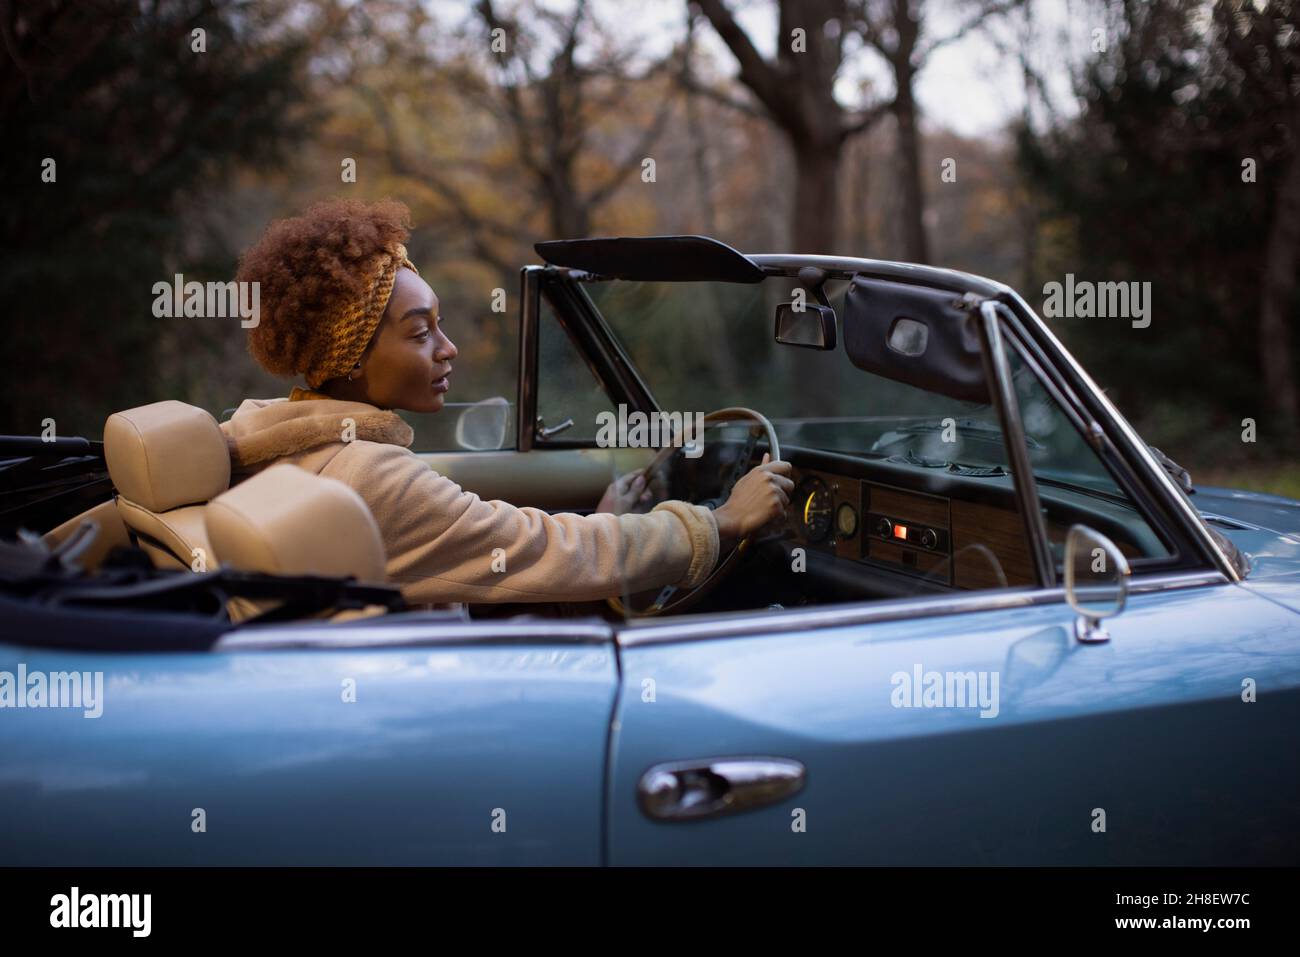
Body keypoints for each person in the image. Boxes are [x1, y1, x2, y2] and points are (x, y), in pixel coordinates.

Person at [222, 198, 792, 605]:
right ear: (348, 358)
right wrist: (721, 520)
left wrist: (601, 523)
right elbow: (544, 549)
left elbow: (502, 555)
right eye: (421, 333)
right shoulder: (372, 478)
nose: (449, 349)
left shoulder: (269, 442)